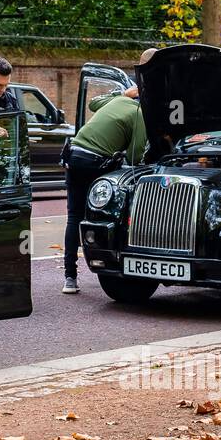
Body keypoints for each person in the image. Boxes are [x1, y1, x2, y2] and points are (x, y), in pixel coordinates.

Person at [62, 49, 155, 294]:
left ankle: (69, 278)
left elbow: (93, 103)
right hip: (95, 163)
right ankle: (108, 263)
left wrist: (122, 93)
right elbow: (136, 158)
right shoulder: (139, 114)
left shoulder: (119, 100)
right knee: (104, 214)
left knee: (73, 217)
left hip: (73, 155)